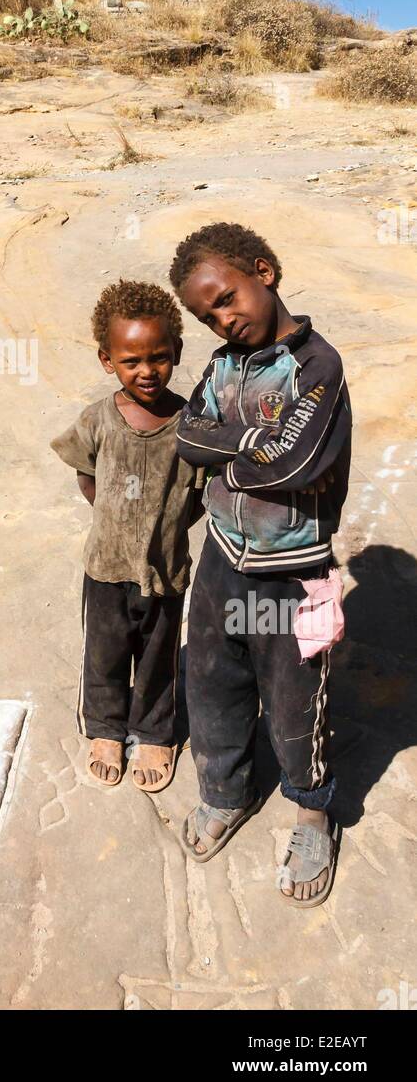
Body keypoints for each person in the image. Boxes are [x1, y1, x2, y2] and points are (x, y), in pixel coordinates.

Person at [169, 221, 351, 906]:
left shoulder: (316, 367)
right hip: (223, 556)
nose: (223, 319)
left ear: (264, 272)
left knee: (297, 693)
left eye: (226, 297)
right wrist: (249, 443)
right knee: (211, 676)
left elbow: (297, 460)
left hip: (296, 568)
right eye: (205, 314)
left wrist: (240, 456)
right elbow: (189, 433)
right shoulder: (221, 367)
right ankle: (224, 791)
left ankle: (311, 809)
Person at [51, 280, 204, 791]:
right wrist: (115, 514)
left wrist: (168, 526)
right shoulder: (98, 420)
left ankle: (154, 731)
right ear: (106, 360)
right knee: (105, 653)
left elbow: (199, 493)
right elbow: (85, 473)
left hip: (166, 571)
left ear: (176, 352)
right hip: (107, 568)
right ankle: (106, 728)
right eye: (131, 360)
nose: (147, 370)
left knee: (160, 656)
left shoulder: (190, 425)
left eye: (158, 357)